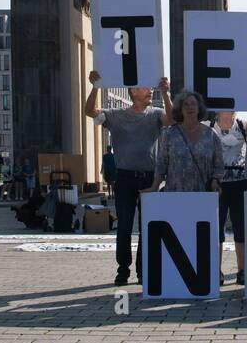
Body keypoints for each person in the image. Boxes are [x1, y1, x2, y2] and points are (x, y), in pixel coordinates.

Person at [84, 70, 173, 287]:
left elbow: (171, 119)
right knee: (124, 226)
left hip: (150, 179)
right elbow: (90, 112)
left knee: (147, 227)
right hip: (124, 179)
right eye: (145, 87)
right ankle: (123, 270)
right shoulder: (116, 115)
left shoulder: (155, 114)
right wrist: (96, 86)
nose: (150, 91)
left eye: (151, 88)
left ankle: (144, 271)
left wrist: (166, 92)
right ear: (133, 91)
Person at [149, 89, 224, 196]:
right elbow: (161, 165)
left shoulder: (211, 134)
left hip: (203, 196)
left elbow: (219, 166)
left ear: (199, 108)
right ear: (180, 109)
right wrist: (154, 187)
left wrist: (215, 181)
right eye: (186, 105)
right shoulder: (169, 134)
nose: (190, 107)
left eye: (193, 104)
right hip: (174, 195)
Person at [214, 105, 247, 284]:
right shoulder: (209, 126)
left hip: (240, 181)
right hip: (217, 182)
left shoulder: (242, 124)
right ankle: (216, 271)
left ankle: (243, 270)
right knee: (216, 228)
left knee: (241, 227)